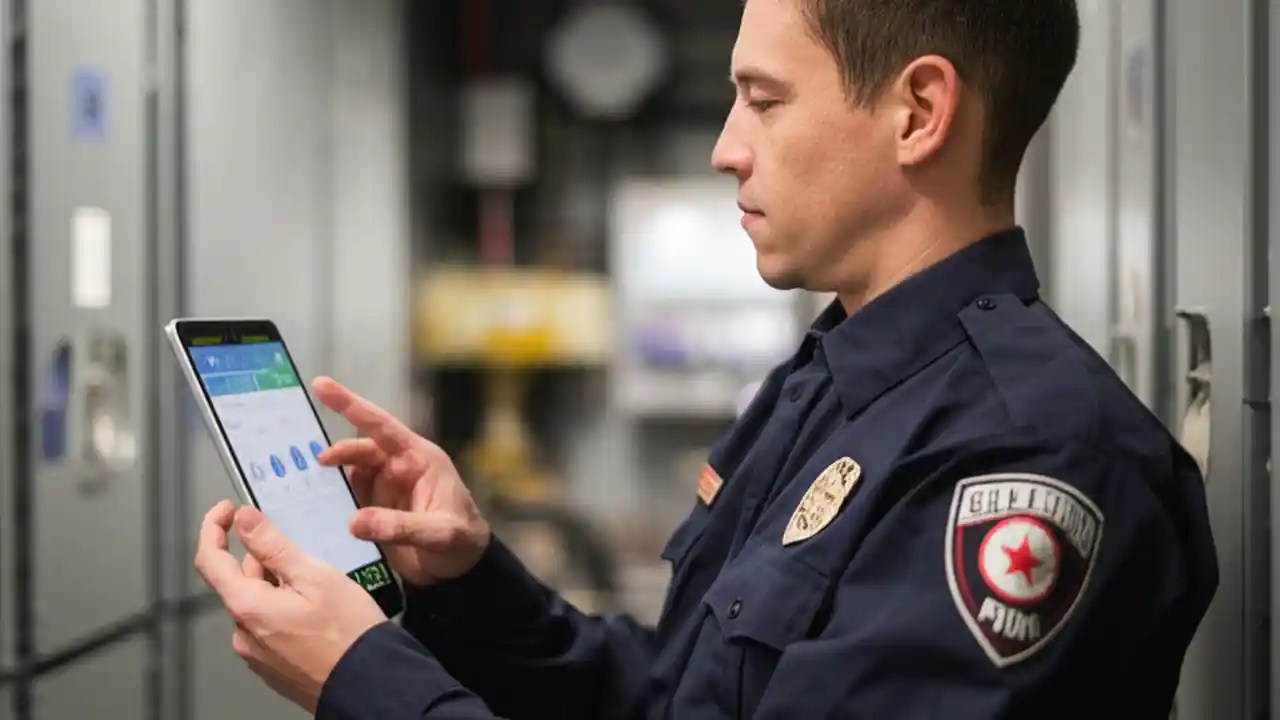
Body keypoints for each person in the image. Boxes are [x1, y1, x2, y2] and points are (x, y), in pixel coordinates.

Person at [194, 0, 1219, 717]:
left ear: (917, 112)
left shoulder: (1026, 459)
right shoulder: (830, 387)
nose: (726, 145)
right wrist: (468, 585)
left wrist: (363, 677)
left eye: (763, 100)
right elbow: (672, 695)